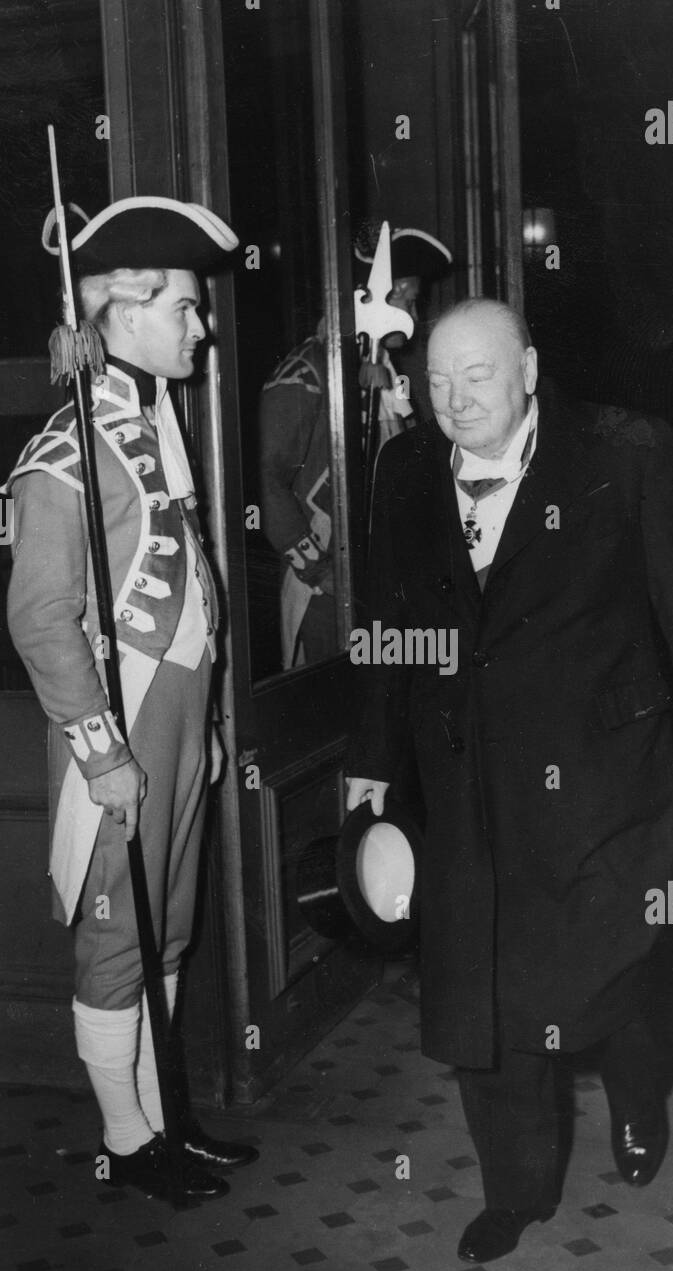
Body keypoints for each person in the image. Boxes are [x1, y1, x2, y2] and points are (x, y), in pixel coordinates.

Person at [346, 298, 673, 1263]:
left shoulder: (625, 450)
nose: (451, 401)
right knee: (482, 994)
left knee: (605, 981)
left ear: (528, 370)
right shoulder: (403, 469)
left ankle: (635, 1086)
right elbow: (387, 627)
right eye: (434, 382)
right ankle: (517, 1191)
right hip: (461, 791)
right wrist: (371, 763)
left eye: (476, 377)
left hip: (603, 784)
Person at [2, 196, 258, 1201]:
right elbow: (38, 620)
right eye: (187, 309)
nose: (201, 326)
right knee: (119, 937)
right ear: (124, 309)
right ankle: (127, 1138)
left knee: (168, 926)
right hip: (118, 728)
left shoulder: (152, 425)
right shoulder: (64, 453)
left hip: (178, 720)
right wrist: (105, 753)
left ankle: (166, 1117)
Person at [258, 225, 451, 669]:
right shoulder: (305, 375)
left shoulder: (390, 373)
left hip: (388, 581)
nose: (414, 313)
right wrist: (322, 571)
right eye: (405, 297)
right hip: (329, 592)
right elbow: (268, 483)